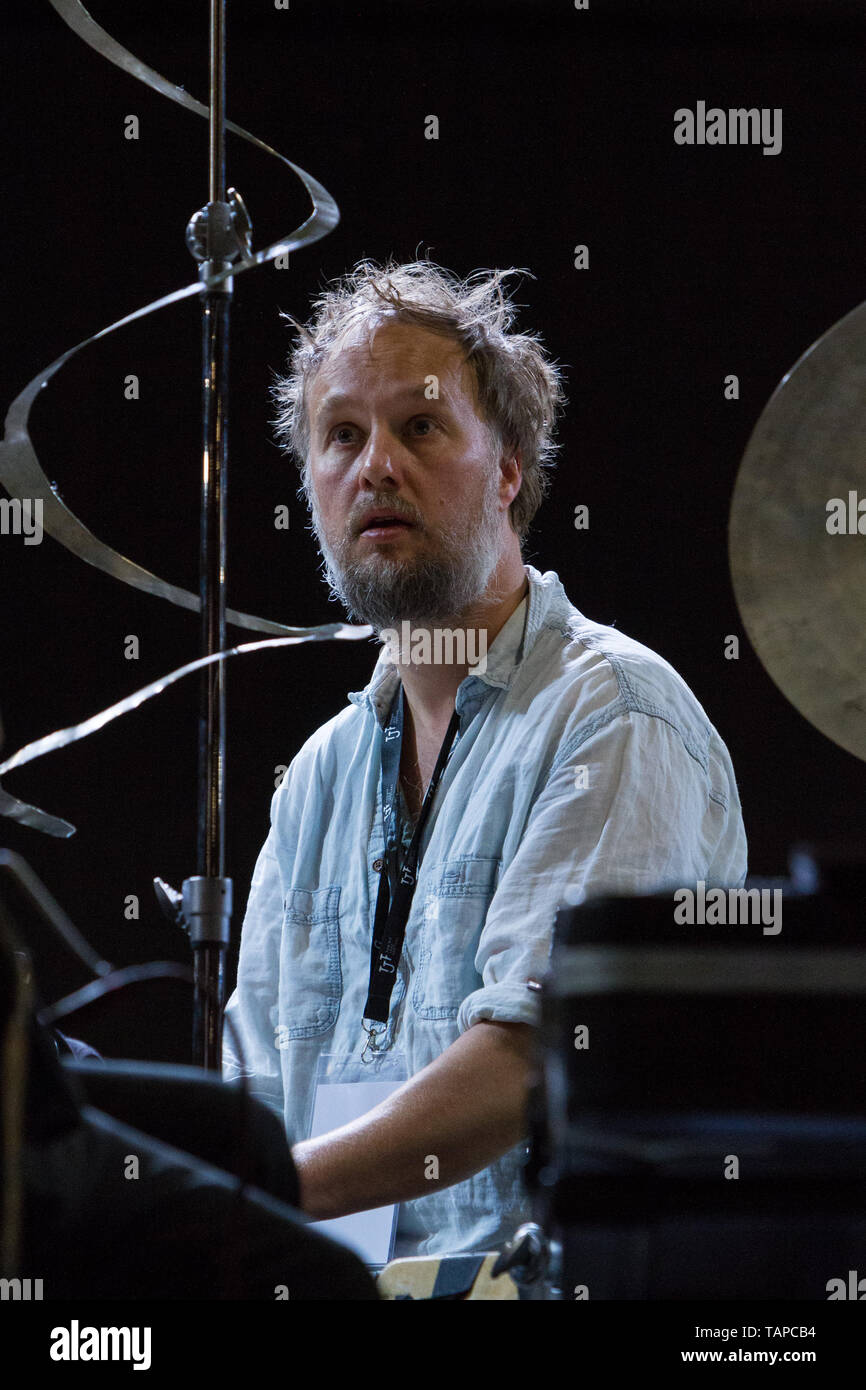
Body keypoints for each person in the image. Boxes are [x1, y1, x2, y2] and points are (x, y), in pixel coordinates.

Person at [222, 258, 748, 1258]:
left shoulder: (610, 713)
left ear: (506, 468)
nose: (374, 464)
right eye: (341, 435)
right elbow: (253, 1091)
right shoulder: (319, 779)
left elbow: (530, 1058)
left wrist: (246, 1197)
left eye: (418, 426)